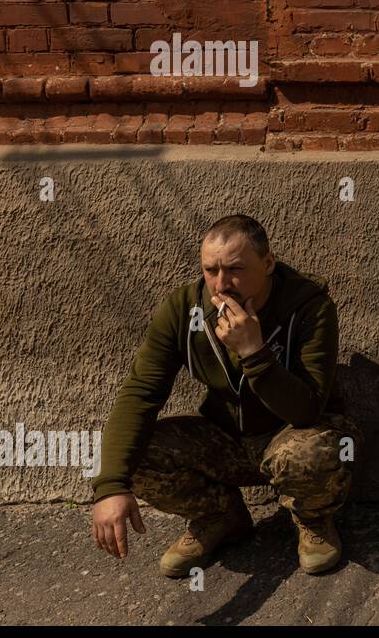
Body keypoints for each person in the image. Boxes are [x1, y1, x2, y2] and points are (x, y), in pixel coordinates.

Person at [90, 215, 360, 577]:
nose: (221, 283)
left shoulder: (308, 307)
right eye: (210, 270)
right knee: (133, 454)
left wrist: (254, 352)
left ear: (267, 264)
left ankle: (312, 519)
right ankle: (219, 517)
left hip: (294, 432)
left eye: (235, 269)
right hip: (228, 439)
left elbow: (308, 408)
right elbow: (140, 393)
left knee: (308, 454)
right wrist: (110, 487)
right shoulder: (184, 310)